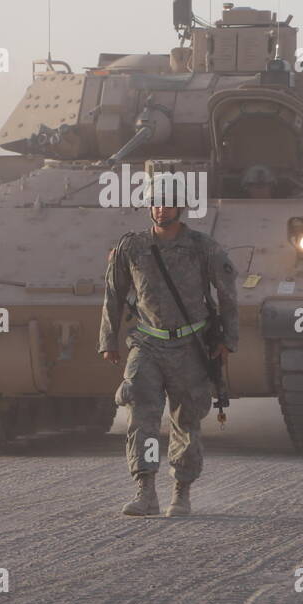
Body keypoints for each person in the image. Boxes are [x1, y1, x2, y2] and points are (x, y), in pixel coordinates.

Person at [98, 175, 239, 517]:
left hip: (191, 345)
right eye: (155, 204)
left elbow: (228, 293)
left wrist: (226, 340)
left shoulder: (203, 247)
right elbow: (114, 295)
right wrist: (108, 339)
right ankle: (145, 490)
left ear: (180, 208)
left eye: (167, 204)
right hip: (147, 342)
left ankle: (182, 491)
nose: (160, 210)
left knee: (186, 421)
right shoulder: (132, 247)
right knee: (141, 417)